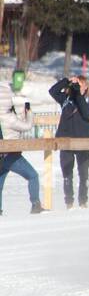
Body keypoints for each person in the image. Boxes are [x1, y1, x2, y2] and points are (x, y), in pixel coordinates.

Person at [0, 70, 44, 215]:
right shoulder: (9, 118)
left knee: (0, 183)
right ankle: (36, 204)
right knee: (32, 176)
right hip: (11, 154)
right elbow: (26, 126)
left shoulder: (6, 116)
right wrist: (29, 115)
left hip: (2, 155)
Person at [50, 76, 89, 208]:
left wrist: (78, 95)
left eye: (81, 84)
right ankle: (69, 202)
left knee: (83, 174)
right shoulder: (65, 99)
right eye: (77, 84)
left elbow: (87, 113)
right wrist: (67, 81)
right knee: (67, 174)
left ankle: (83, 201)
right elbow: (52, 91)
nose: (78, 86)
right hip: (66, 140)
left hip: (83, 141)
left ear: (86, 87)